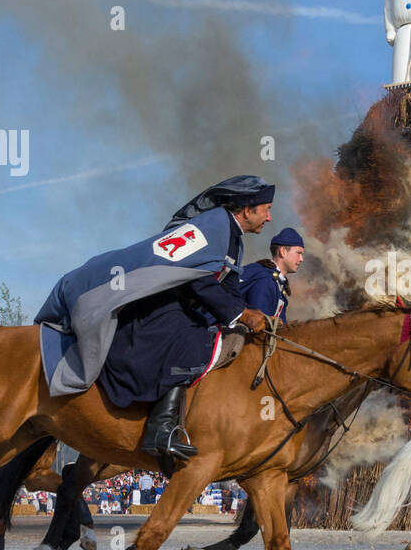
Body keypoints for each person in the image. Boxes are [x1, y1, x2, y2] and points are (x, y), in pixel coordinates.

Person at [35, 175, 274, 469]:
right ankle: (160, 430)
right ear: (247, 209)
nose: (270, 217)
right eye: (266, 209)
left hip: (175, 302)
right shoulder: (214, 225)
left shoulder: (233, 238)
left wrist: (247, 314)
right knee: (195, 341)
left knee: (209, 332)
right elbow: (197, 278)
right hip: (153, 305)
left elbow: (228, 286)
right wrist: (240, 314)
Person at [240, 227, 304, 324]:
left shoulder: (277, 282)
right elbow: (257, 325)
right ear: (283, 251)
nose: (301, 259)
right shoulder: (265, 280)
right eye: (298, 253)